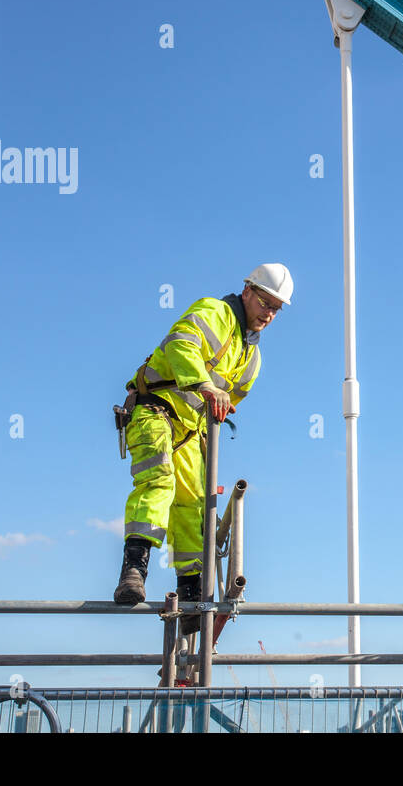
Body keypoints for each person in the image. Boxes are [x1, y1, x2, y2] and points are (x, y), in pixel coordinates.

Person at [112, 264, 293, 628]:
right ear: (247, 292)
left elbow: (229, 403)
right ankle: (134, 571)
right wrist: (204, 385)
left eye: (276, 309)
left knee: (194, 508)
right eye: (264, 303)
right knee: (158, 482)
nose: (268, 314)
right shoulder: (216, 312)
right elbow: (181, 345)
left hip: (192, 431)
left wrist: (212, 413)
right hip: (155, 410)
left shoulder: (251, 358)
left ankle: (191, 598)